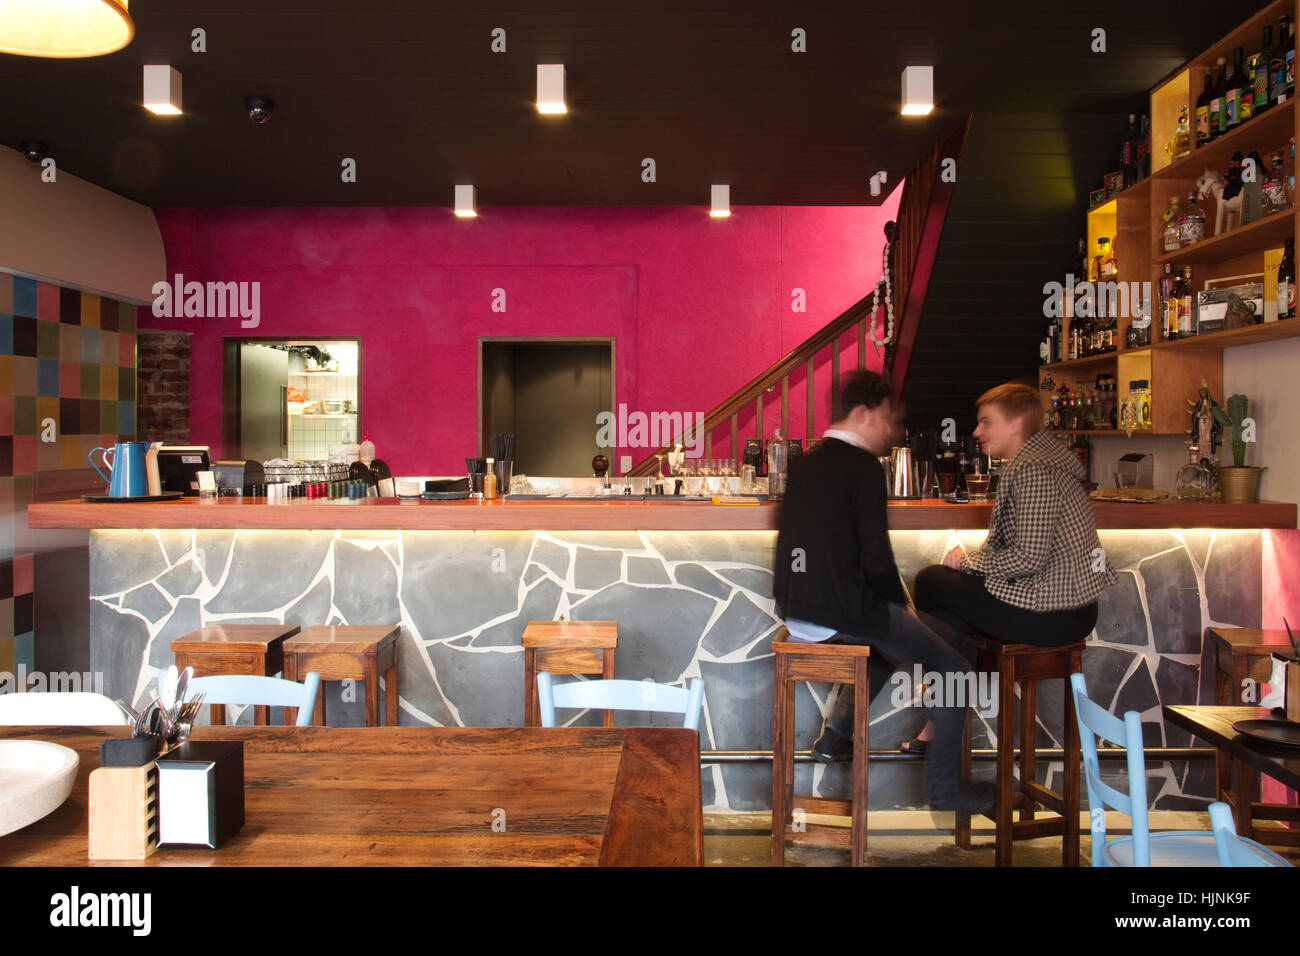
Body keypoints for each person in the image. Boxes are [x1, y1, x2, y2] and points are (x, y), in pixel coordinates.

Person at [772, 369, 994, 813]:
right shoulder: (863, 468)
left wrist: (898, 617)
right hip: (842, 613)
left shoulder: (807, 462)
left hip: (799, 613)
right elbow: (876, 559)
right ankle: (945, 789)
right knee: (953, 663)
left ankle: (836, 735)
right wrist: (901, 608)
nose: (892, 430)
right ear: (863, 413)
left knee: (913, 638)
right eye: (887, 418)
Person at [901, 382, 1117, 754]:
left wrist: (968, 561)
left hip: (1056, 613)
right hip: (1054, 604)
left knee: (932, 583)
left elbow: (1028, 557)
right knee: (951, 605)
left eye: (986, 422)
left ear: (1016, 423)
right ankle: (943, 723)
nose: (976, 432)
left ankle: (944, 720)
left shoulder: (1035, 470)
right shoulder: (1038, 462)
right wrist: (970, 565)